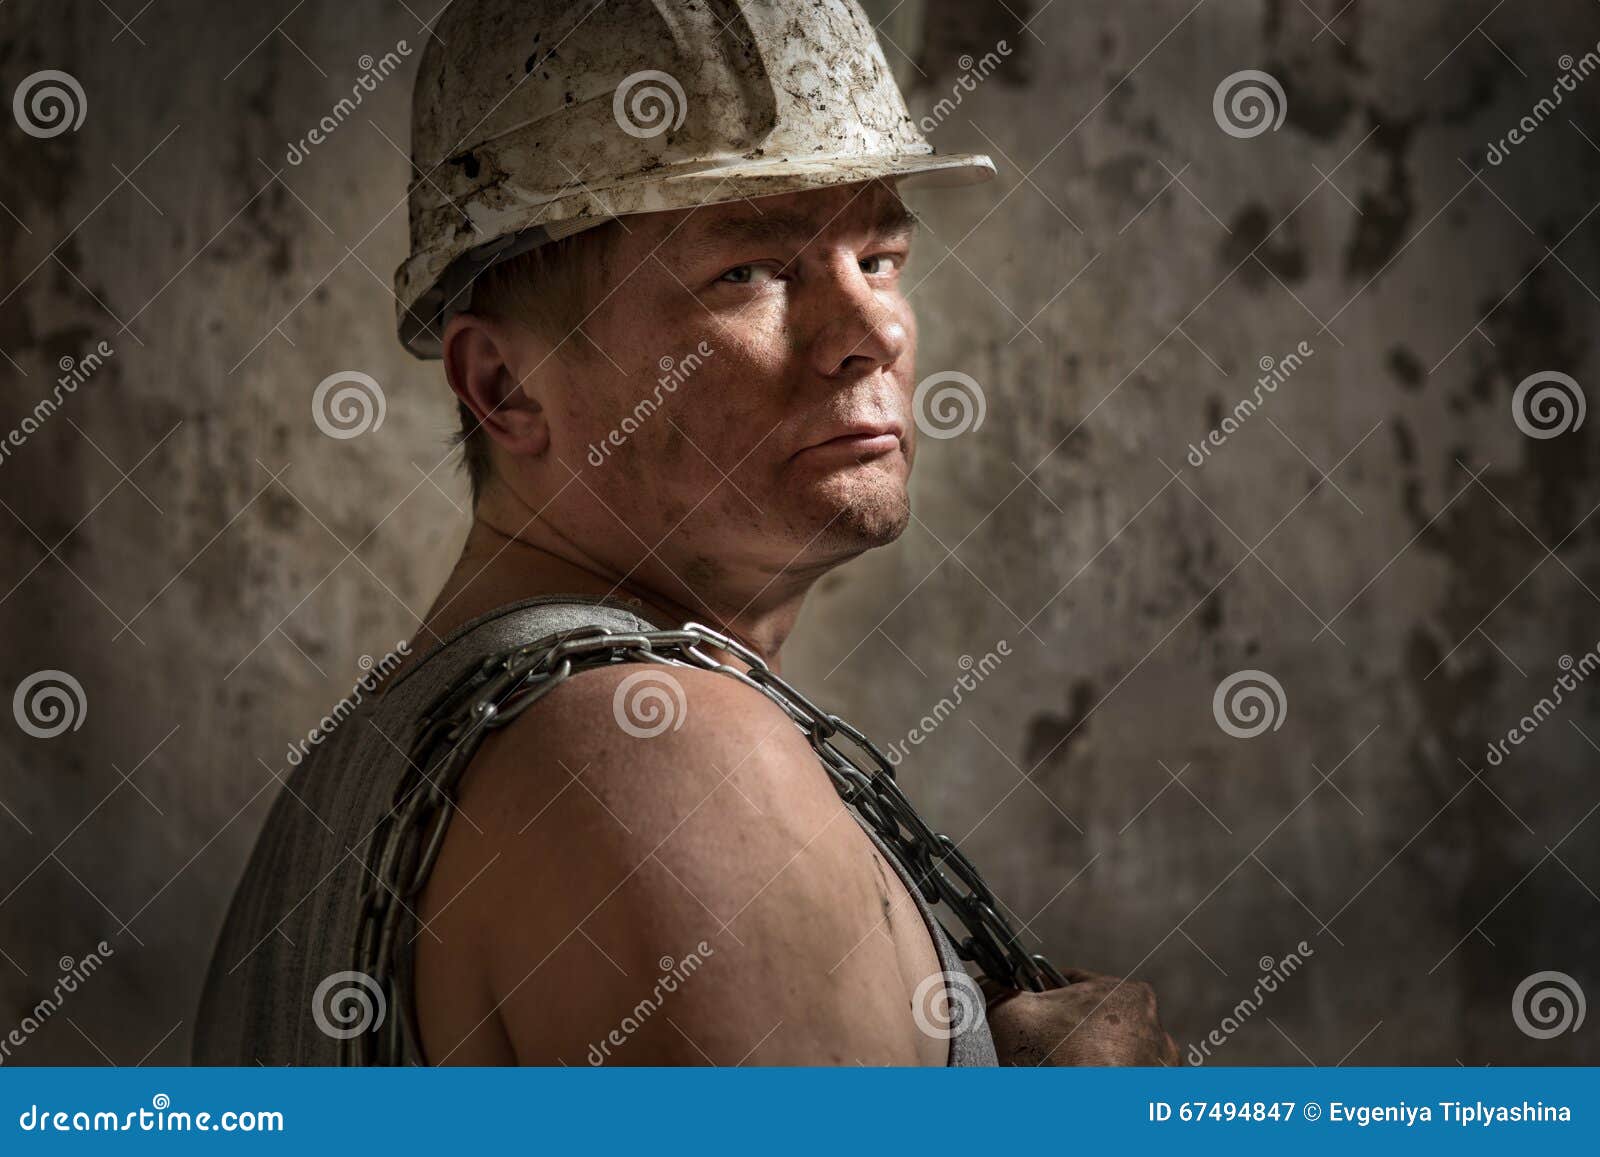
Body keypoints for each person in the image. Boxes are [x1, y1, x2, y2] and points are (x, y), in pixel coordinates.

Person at [195, 0, 1178, 1067]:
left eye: (880, 255)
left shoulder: (376, 768)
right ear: (505, 384)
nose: (871, 333)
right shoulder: (653, 751)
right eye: (749, 272)